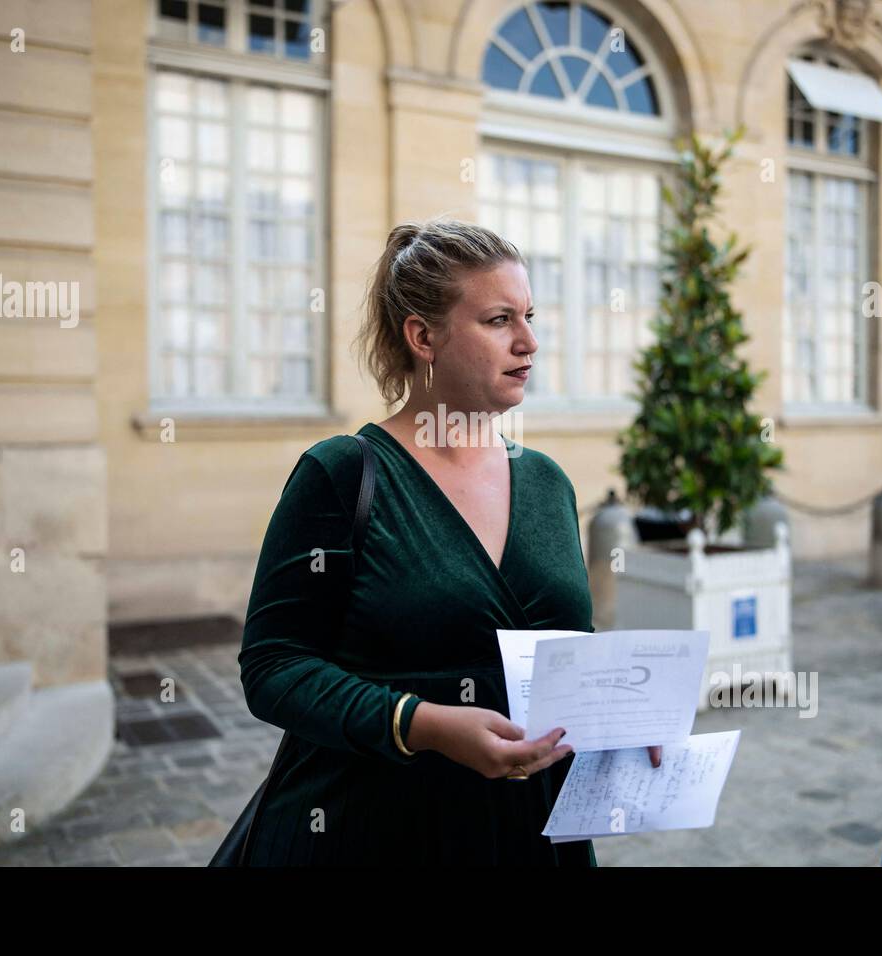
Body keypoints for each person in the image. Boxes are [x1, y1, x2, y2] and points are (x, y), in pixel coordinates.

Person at [237, 219, 661, 865]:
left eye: (529, 316)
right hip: (376, 828)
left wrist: (624, 716)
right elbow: (272, 668)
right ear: (422, 336)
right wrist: (420, 723)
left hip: (530, 831)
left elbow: (563, 654)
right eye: (498, 320)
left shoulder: (547, 483)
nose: (530, 341)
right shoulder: (341, 474)